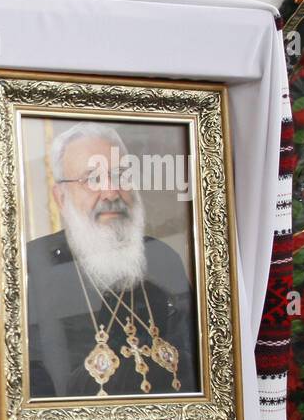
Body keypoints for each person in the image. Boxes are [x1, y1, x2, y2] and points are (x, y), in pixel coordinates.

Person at [26, 123, 197, 399]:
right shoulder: (31, 266)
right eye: (92, 179)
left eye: (120, 175)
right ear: (61, 197)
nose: (110, 192)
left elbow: (197, 363)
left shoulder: (162, 258)